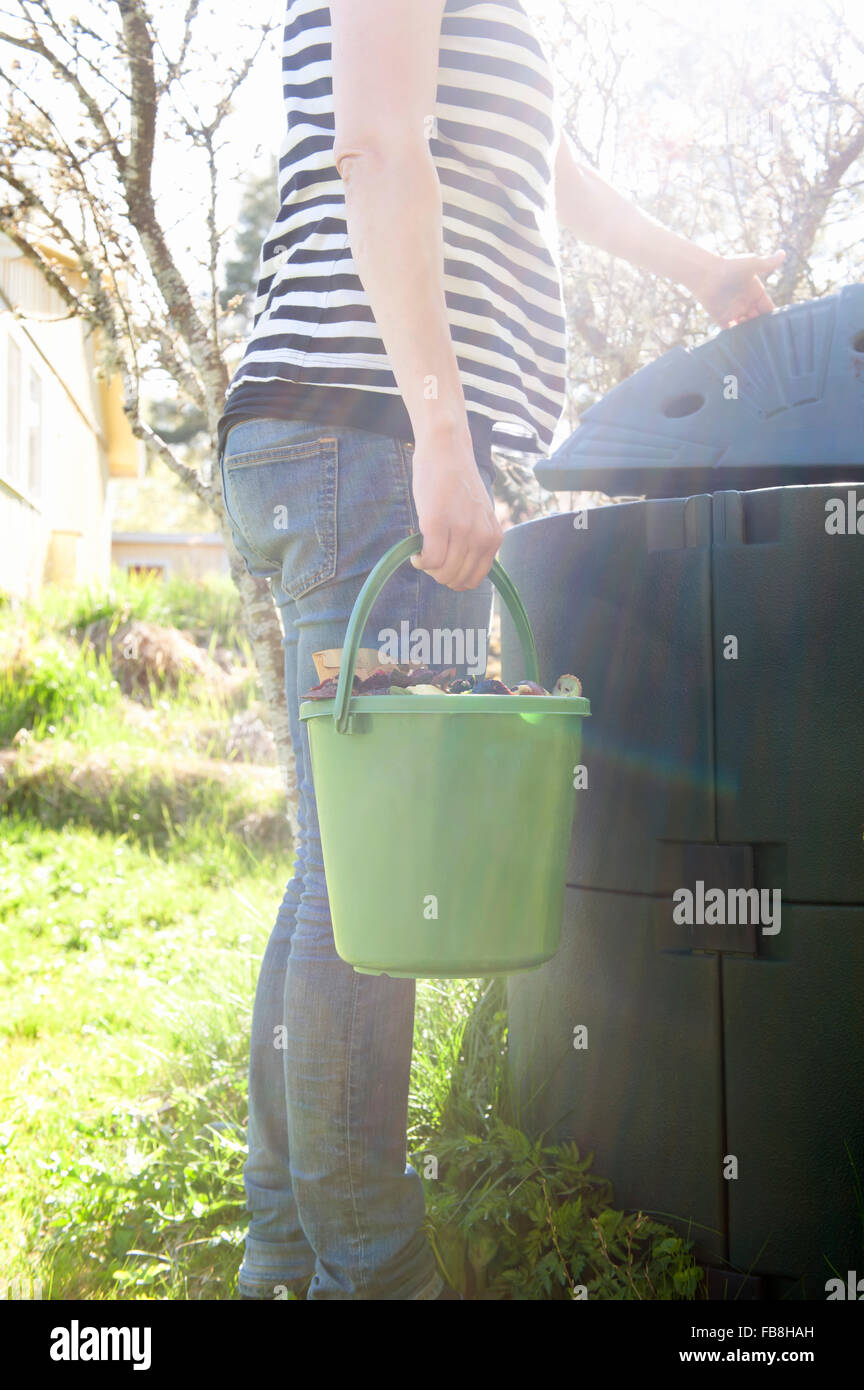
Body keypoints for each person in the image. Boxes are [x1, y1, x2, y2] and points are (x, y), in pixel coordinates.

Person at [216, 0, 784, 1302]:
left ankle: (291, 1250)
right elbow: (375, 140)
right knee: (379, 880)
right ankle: (375, 1262)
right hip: (365, 426)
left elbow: (542, 156)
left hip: (349, 432)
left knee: (342, 867)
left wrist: (693, 263)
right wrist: (437, 429)